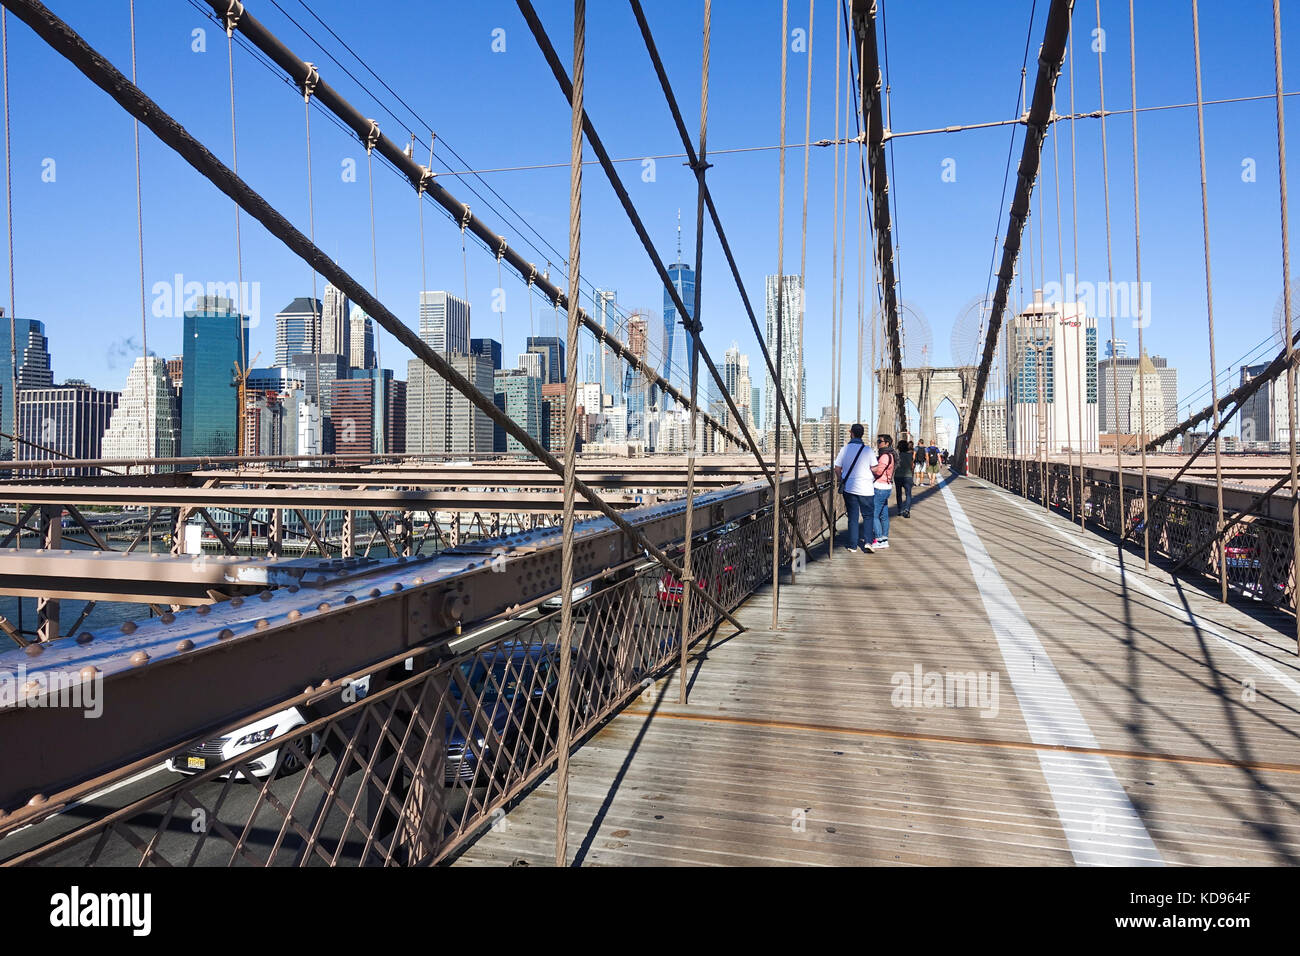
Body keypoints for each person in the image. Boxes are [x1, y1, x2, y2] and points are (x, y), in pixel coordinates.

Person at [833, 423, 876, 552]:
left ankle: (852, 546)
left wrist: (841, 479)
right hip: (866, 488)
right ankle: (868, 542)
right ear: (862, 434)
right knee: (868, 516)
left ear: (851, 433)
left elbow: (837, 468)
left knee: (852, 517)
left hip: (850, 487)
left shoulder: (844, 449)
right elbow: (874, 468)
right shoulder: (868, 450)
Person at [864, 434, 895, 551]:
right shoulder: (890, 455)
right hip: (886, 487)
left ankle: (878, 539)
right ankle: (884, 539)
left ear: (887, 443)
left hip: (880, 488)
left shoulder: (885, 456)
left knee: (873, 515)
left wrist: (870, 468)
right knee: (884, 515)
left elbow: (878, 472)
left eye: (880, 441)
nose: (878, 443)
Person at [894, 438, 914, 518]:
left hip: (898, 476)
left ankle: (900, 510)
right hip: (908, 476)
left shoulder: (896, 456)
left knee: (899, 494)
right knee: (908, 494)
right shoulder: (910, 455)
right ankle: (907, 510)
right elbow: (912, 466)